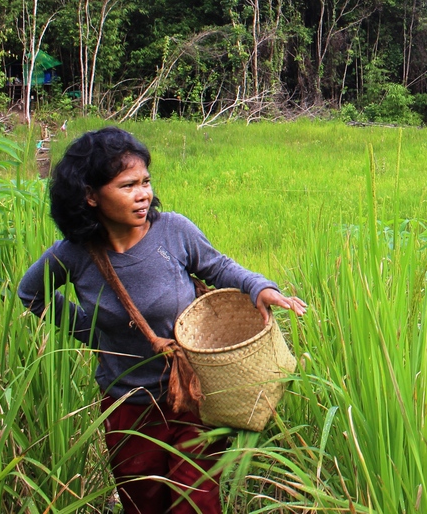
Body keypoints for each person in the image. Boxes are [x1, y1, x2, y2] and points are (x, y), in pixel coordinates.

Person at [18, 126, 306, 514]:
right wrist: (95, 333)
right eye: (127, 185)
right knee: (144, 501)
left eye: (146, 181)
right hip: (128, 404)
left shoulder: (173, 231)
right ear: (90, 196)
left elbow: (218, 267)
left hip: (192, 394)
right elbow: (31, 294)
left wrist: (260, 288)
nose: (143, 194)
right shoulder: (74, 254)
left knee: (196, 501)